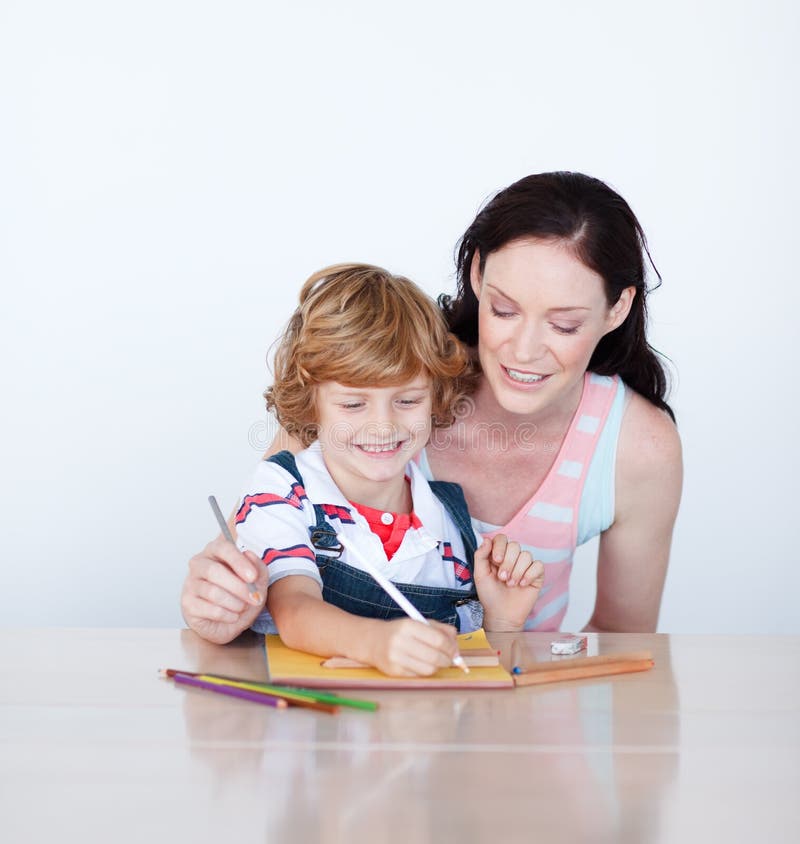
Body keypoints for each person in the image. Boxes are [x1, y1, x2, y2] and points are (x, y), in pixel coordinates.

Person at [181, 171, 682, 640]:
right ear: (477, 272)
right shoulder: (387, 370)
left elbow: (624, 646)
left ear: (617, 307)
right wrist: (219, 598)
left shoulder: (638, 447)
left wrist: (512, 659)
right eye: (504, 310)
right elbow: (254, 562)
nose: (525, 350)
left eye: (564, 325)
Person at [186, 263, 543, 675]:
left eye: (407, 401)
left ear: (436, 397)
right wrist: (377, 643)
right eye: (354, 404)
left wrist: (503, 623)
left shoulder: (451, 527)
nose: (383, 426)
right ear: (311, 402)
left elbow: (471, 672)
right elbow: (296, 610)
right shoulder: (283, 492)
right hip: (314, 728)